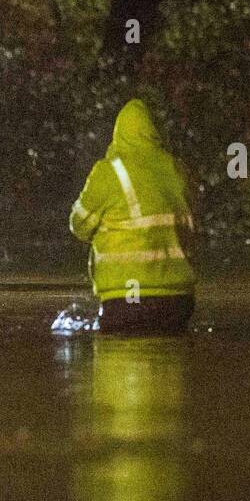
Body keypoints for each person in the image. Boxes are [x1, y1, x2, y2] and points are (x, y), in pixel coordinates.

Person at [69, 98, 196, 334]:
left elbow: (79, 226)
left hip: (127, 299)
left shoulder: (108, 172)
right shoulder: (177, 169)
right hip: (179, 302)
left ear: (118, 135)